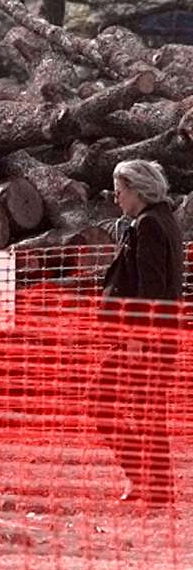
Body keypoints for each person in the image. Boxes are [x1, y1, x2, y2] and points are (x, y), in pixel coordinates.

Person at [90, 159, 184, 509]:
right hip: (160, 334)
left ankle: (146, 478)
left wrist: (136, 337)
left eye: (120, 191)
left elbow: (151, 287)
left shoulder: (148, 225)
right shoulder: (163, 221)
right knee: (148, 411)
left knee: (101, 401)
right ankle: (154, 485)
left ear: (136, 189)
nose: (117, 199)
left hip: (146, 336)